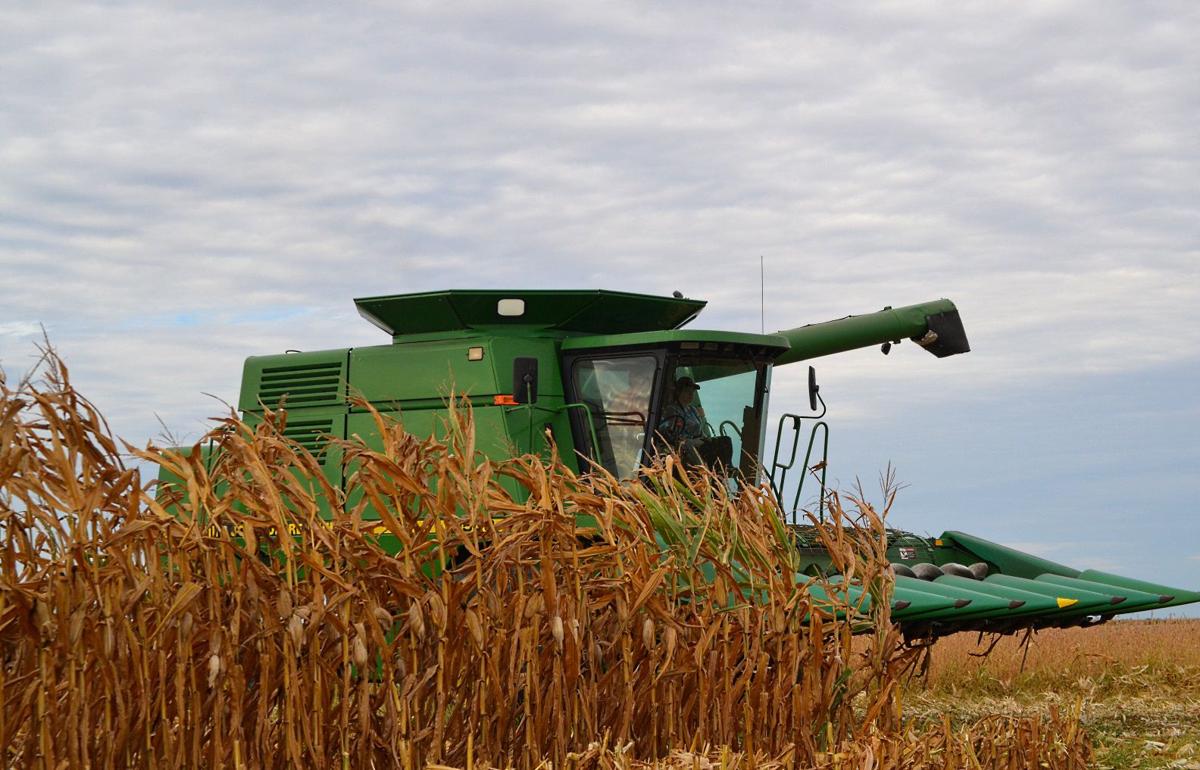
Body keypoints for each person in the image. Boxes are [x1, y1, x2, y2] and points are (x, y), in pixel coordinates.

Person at [656, 376, 731, 470]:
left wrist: (707, 439)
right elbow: (665, 432)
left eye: (692, 392)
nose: (691, 395)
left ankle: (724, 469)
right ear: (679, 392)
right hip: (684, 445)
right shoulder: (671, 410)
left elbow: (700, 431)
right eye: (687, 392)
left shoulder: (693, 410)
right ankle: (702, 470)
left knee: (725, 440)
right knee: (698, 446)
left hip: (697, 441)